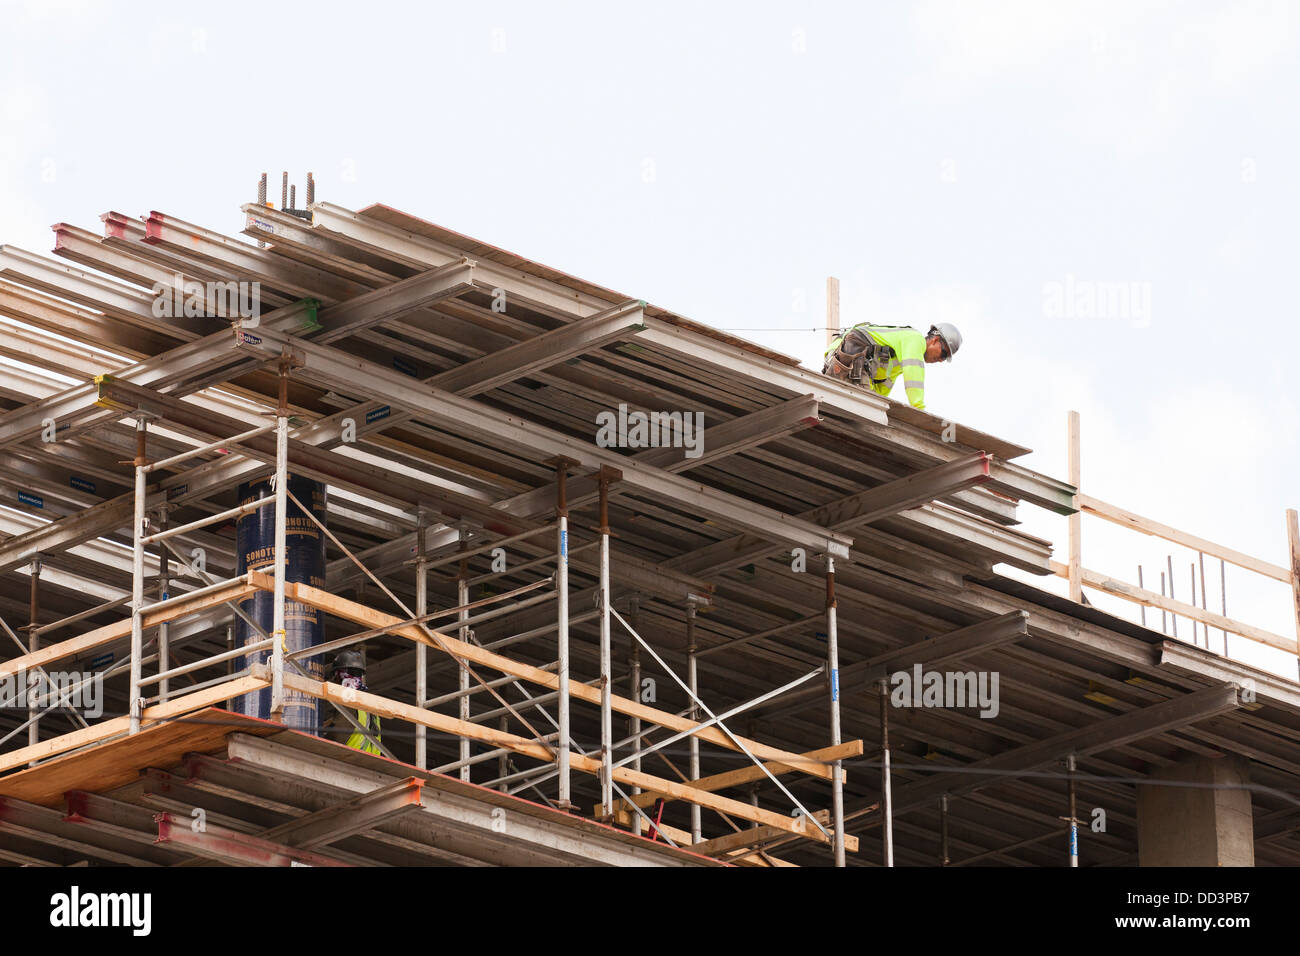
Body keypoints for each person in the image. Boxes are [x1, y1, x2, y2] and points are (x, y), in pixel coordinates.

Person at [822, 322, 962, 411]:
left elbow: (880, 389)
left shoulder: (898, 363)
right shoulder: (915, 339)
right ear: (935, 340)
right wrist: (918, 409)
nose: (941, 360)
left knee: (870, 408)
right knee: (866, 411)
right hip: (850, 352)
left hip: (843, 362)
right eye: (944, 353)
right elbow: (914, 375)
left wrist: (879, 406)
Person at [324, 649, 383, 755]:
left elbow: (338, 735)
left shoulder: (349, 700)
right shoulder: (372, 706)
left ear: (338, 675)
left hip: (349, 758)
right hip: (370, 763)